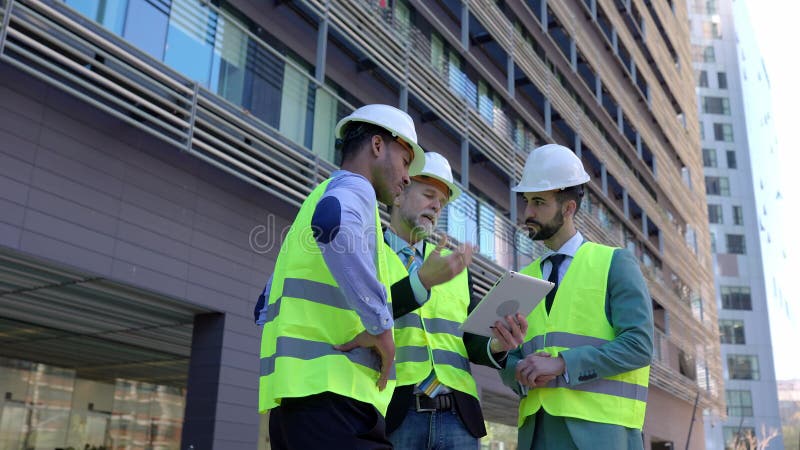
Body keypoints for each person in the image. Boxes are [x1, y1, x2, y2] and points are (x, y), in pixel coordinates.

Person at [257, 104, 425, 450]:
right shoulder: (354, 192)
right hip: (336, 399)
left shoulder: (316, 199)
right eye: (406, 162)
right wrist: (381, 327)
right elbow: (334, 225)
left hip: (296, 401)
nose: (408, 177)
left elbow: (262, 307)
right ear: (378, 146)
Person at [500, 143, 654, 450]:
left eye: (539, 202)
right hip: (536, 433)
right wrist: (514, 368)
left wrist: (562, 364)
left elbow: (639, 346)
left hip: (602, 436)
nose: (528, 212)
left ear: (568, 208)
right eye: (527, 201)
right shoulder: (520, 278)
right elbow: (508, 356)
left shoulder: (615, 263)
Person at [382, 152, 528, 449]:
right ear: (398, 195)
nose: (437, 206)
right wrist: (420, 282)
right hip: (394, 413)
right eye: (429, 195)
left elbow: (470, 342)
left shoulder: (456, 268)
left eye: (442, 202)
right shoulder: (369, 254)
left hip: (458, 418)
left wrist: (499, 343)